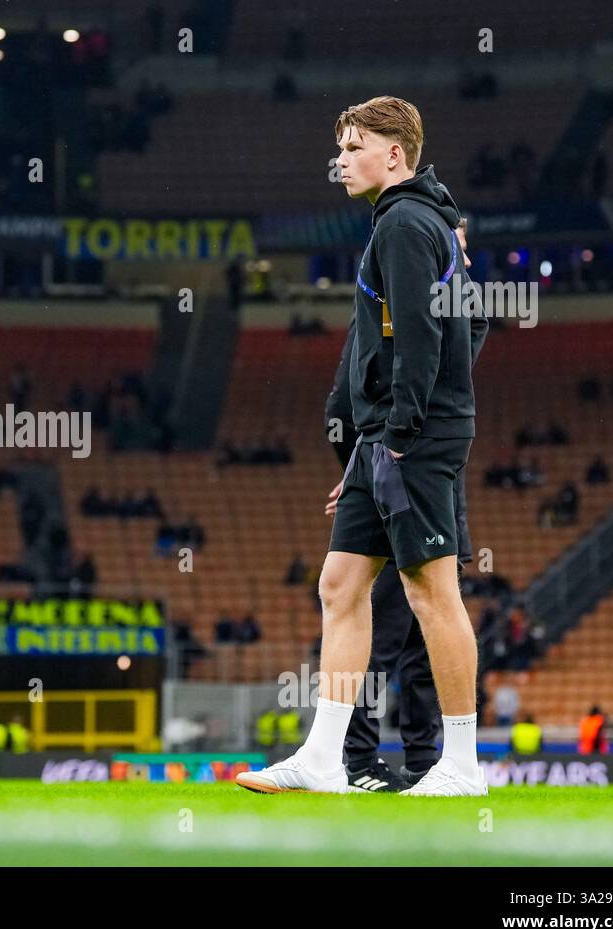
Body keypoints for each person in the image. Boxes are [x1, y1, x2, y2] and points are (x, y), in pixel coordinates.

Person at [239, 96, 487, 797]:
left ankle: (463, 767)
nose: (340, 160)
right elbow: (478, 322)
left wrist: (403, 431)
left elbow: (420, 334)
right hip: (390, 436)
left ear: (395, 155)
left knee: (431, 592)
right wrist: (369, 446)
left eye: (353, 148)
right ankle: (323, 758)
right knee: (340, 585)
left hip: (411, 438)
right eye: (341, 147)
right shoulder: (425, 222)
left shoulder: (407, 223)